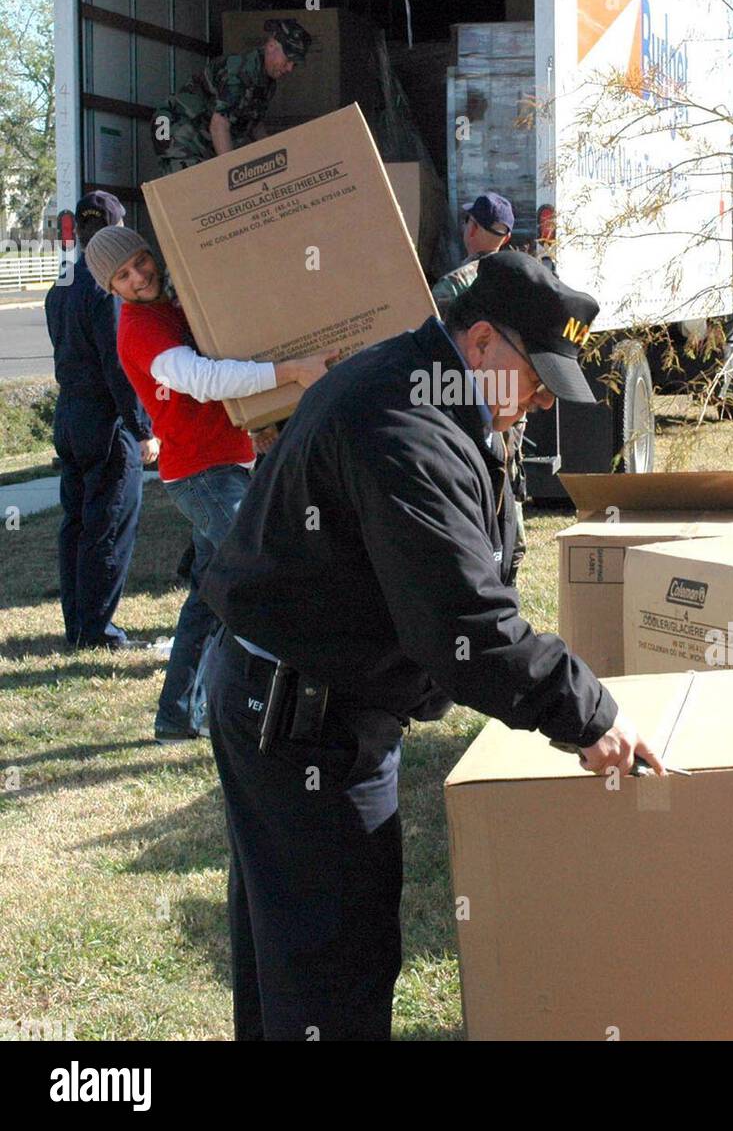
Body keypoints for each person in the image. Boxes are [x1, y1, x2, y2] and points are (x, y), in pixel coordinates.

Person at [199, 250, 665, 1041]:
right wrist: (587, 718)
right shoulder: (402, 424)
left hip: (303, 699)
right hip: (303, 725)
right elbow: (462, 626)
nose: (544, 401)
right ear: (481, 342)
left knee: (298, 960)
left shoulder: (427, 389)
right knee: (330, 971)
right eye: (537, 377)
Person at [83, 225, 333, 742]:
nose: (137, 277)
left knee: (208, 596)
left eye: (139, 262)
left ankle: (176, 717)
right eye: (122, 275)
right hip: (201, 478)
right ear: (111, 288)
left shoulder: (168, 309)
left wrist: (254, 425)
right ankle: (283, 709)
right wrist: (288, 372)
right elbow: (205, 379)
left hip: (221, 466)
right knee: (267, 576)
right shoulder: (138, 329)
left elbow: (214, 391)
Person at [44, 192, 159, 650]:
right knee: (107, 526)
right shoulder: (103, 289)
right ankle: (96, 632)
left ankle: (77, 625)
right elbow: (120, 368)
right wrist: (144, 429)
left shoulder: (61, 287)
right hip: (105, 423)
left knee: (76, 525)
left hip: (69, 416)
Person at [432, 191, 529, 582]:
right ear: (505, 237)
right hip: (513, 396)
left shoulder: (454, 285)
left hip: (472, 400)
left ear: (473, 229)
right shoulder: (525, 276)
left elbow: (435, 341)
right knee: (508, 476)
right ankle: (509, 563)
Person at [151, 18, 312, 174]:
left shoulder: (267, 81)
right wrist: (231, 175)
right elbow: (219, 125)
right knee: (192, 192)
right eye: (288, 60)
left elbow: (254, 123)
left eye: (295, 63)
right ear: (271, 46)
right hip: (177, 129)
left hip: (202, 138)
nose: (290, 68)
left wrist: (278, 156)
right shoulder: (239, 73)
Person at [430, 191, 514, 321]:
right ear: (506, 239)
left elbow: (430, 329)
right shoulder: (515, 278)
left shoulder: (451, 285)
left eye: (467, 220)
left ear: (472, 229)